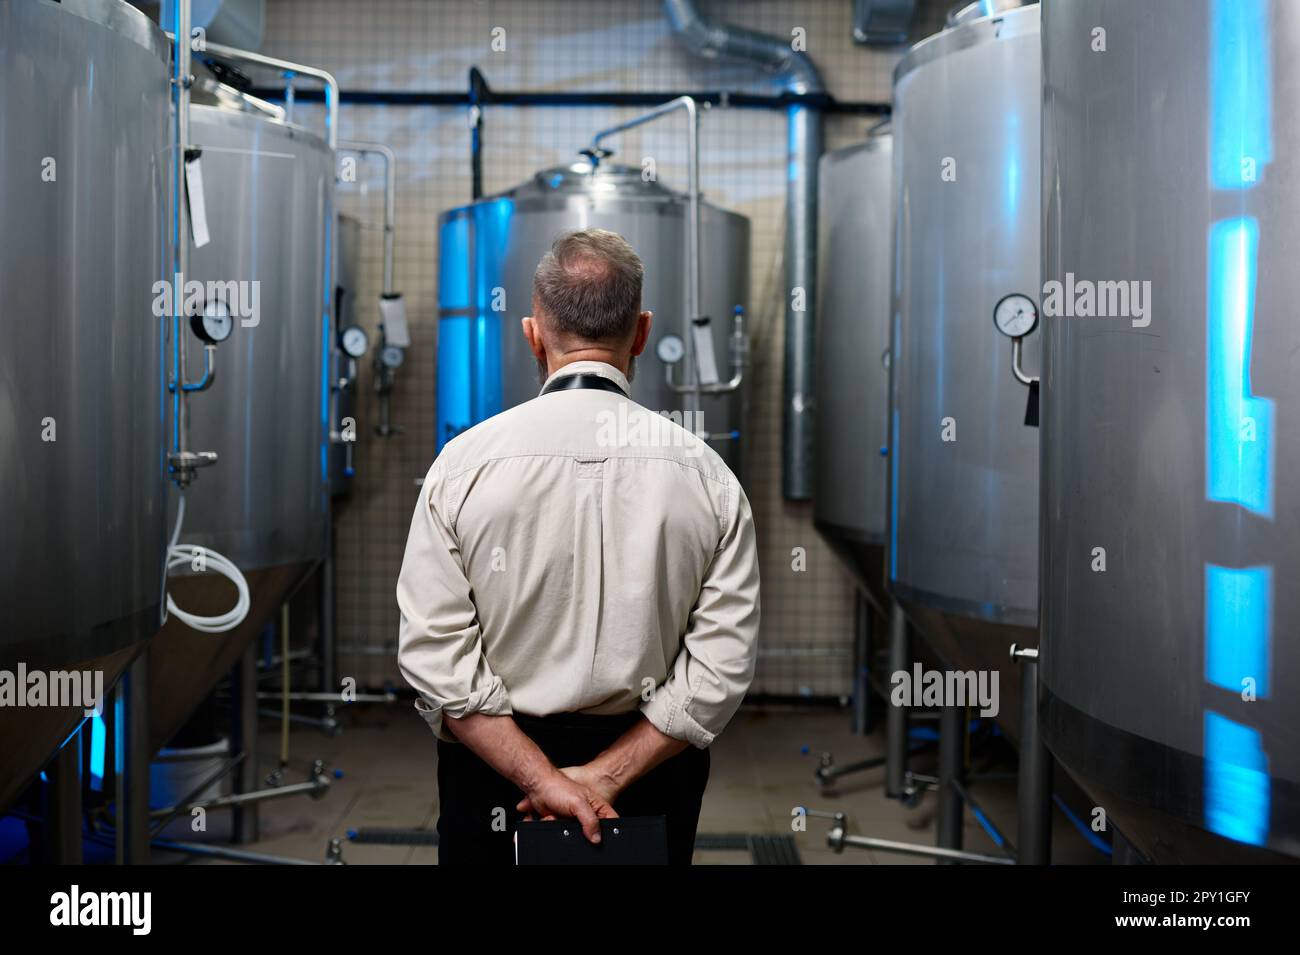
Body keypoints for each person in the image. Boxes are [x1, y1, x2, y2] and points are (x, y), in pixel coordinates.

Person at [397, 228, 760, 865]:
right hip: (649, 772)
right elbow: (719, 668)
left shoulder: (461, 468)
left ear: (532, 334)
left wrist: (543, 782)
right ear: (642, 332)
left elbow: (436, 661)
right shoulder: (707, 476)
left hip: (495, 775)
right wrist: (604, 779)